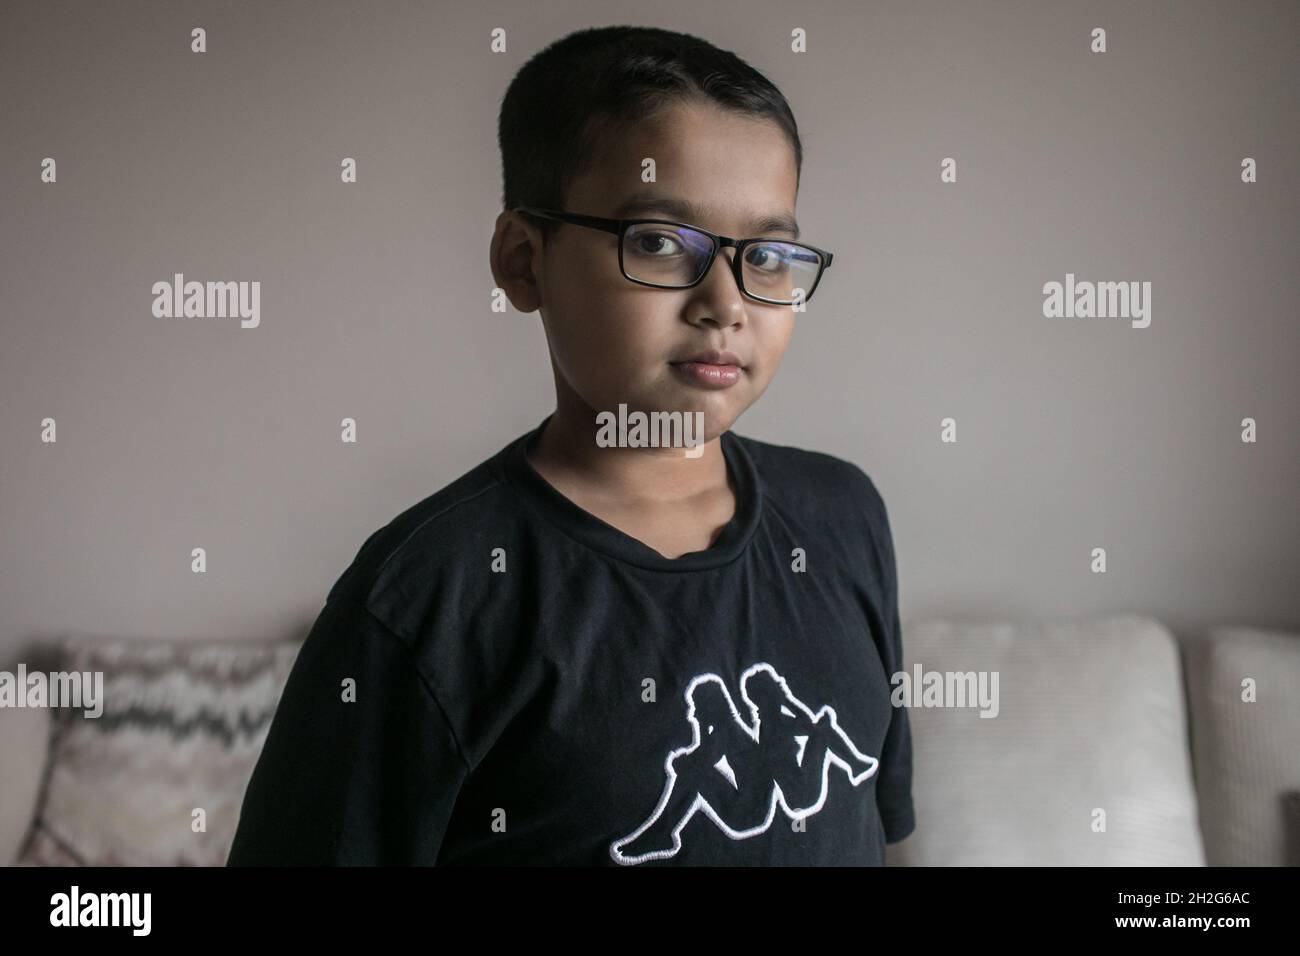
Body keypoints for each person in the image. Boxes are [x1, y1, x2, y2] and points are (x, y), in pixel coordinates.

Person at [227, 24, 914, 866]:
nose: (727, 303)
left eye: (767, 254)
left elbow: (885, 825)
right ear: (524, 261)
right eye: (661, 241)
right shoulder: (428, 595)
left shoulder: (843, 515)